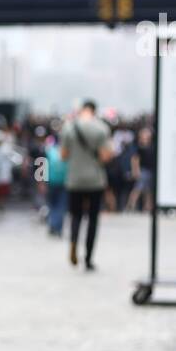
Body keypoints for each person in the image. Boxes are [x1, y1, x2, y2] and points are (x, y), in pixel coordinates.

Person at [60, 100, 113, 270]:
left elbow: (63, 155)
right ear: (94, 111)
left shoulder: (68, 127)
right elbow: (106, 156)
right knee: (93, 220)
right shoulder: (101, 128)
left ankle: (74, 241)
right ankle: (89, 258)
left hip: (74, 179)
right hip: (95, 180)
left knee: (75, 215)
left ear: (82, 110)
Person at [43, 131, 68, 236]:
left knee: (52, 204)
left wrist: (41, 181)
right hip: (64, 182)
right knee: (61, 205)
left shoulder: (48, 150)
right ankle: (58, 227)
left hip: (51, 181)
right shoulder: (67, 151)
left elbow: (41, 164)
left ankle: (53, 224)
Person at [125, 126, 154, 213]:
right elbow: (135, 159)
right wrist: (136, 170)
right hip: (143, 170)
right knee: (138, 188)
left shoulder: (151, 145)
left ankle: (148, 207)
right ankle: (130, 206)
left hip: (150, 170)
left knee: (148, 190)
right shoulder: (138, 146)